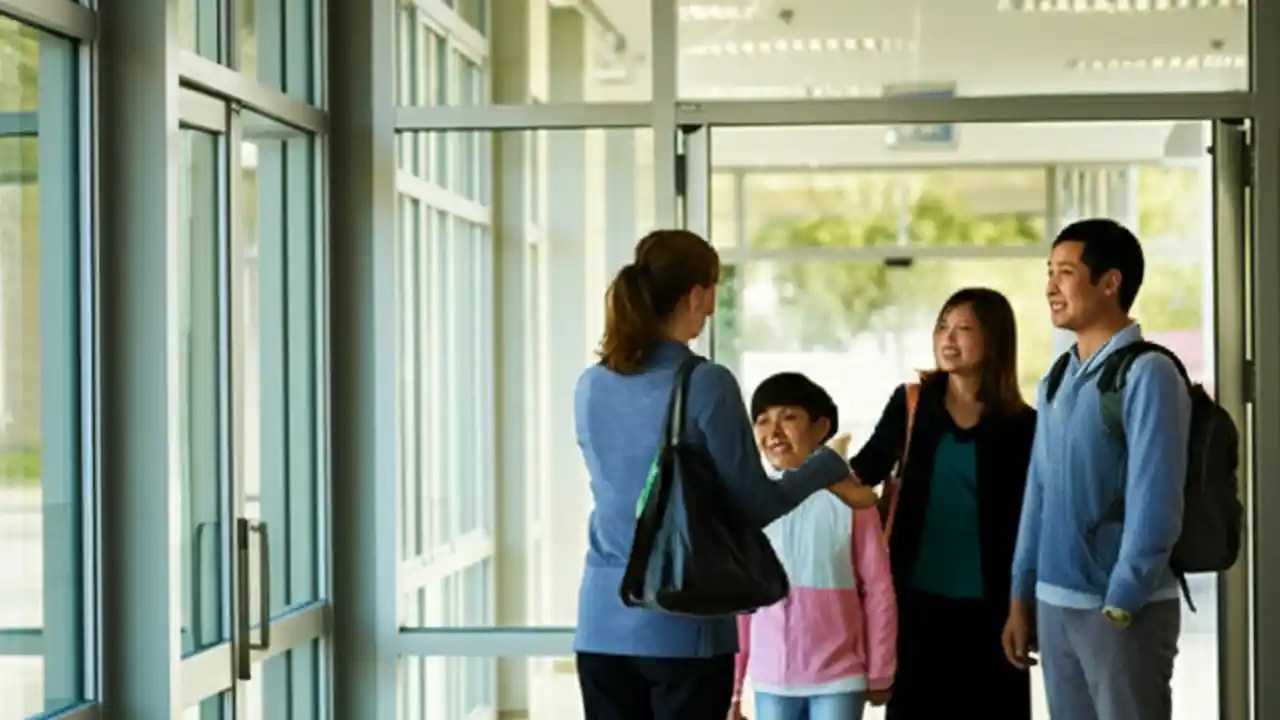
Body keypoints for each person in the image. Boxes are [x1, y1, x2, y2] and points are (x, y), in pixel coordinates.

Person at [573, 229, 876, 720]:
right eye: (713, 291)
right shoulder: (705, 382)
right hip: (684, 623)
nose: (713, 307)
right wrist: (825, 463)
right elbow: (755, 504)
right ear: (696, 293)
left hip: (600, 624)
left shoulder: (590, 384)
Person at [1003, 218, 1190, 720]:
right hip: (1055, 601)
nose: (1050, 287)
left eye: (1065, 273)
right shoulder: (1058, 378)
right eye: (1050, 273)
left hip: (1122, 609)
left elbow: (1158, 499)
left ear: (1110, 283)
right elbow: (1037, 496)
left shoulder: (1148, 373)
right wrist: (1022, 595)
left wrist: (1122, 600)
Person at [848, 287, 1037, 720]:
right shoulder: (913, 403)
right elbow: (864, 472)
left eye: (964, 328)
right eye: (942, 326)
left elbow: (1030, 525)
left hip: (992, 612)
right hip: (915, 602)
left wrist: (1021, 609)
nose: (948, 338)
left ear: (995, 341)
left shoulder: (1023, 426)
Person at [729, 372, 897, 720]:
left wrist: (881, 669)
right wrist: (734, 687)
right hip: (772, 680)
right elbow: (741, 605)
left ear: (822, 428)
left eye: (788, 417)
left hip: (840, 678)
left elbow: (878, 589)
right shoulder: (750, 504)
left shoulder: (853, 501)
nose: (773, 432)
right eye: (762, 421)